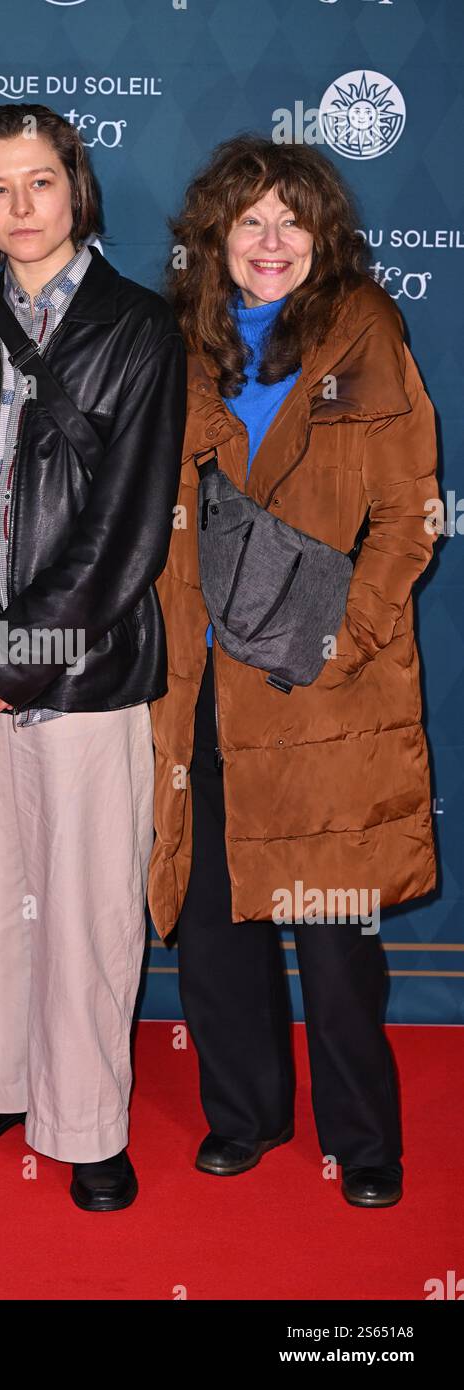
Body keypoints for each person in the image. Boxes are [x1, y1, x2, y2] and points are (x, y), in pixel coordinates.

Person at [0, 102, 186, 1211]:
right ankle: (2, 1084)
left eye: (39, 183)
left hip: (85, 669)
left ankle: (87, 1120)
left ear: (76, 189)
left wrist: (27, 650)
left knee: (87, 901)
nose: (19, 208)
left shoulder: (138, 330)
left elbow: (127, 527)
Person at [149, 135, 439, 1206]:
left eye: (290, 223)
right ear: (214, 239)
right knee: (218, 928)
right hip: (209, 694)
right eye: (247, 222)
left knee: (333, 944)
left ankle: (364, 1144)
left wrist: (337, 638)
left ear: (321, 239)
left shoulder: (366, 336)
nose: (268, 244)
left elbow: (408, 518)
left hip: (326, 700)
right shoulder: (179, 346)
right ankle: (244, 1114)